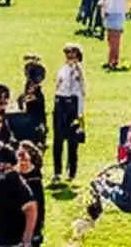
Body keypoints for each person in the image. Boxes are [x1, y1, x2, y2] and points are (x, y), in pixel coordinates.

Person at [0, 143, 39, 247]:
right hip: (6, 237)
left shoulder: (11, 180)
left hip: (14, 240)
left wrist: (26, 239)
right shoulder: (7, 179)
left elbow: (31, 206)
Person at [52, 44, 85, 185]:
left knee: (73, 141)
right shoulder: (62, 69)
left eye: (73, 55)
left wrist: (80, 115)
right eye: (67, 55)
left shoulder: (78, 72)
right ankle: (57, 171)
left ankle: (71, 171)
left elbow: (81, 92)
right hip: (61, 103)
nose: (70, 58)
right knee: (58, 140)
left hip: (73, 103)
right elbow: (58, 86)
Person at [100, 0, 129, 70]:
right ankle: (111, 59)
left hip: (115, 14)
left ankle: (113, 61)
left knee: (114, 40)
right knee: (110, 40)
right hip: (111, 14)